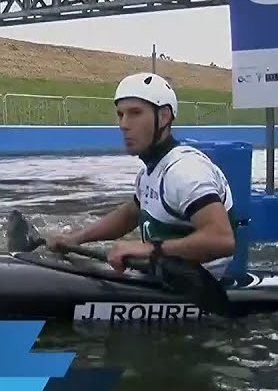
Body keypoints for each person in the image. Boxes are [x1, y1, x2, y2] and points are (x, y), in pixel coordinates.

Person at [46, 72, 237, 277]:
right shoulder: (149, 172)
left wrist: (150, 249)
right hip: (167, 278)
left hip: (206, 288)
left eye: (135, 113)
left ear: (163, 117)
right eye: (121, 115)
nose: (124, 124)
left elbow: (222, 240)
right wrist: (76, 238)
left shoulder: (185, 171)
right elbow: (130, 214)